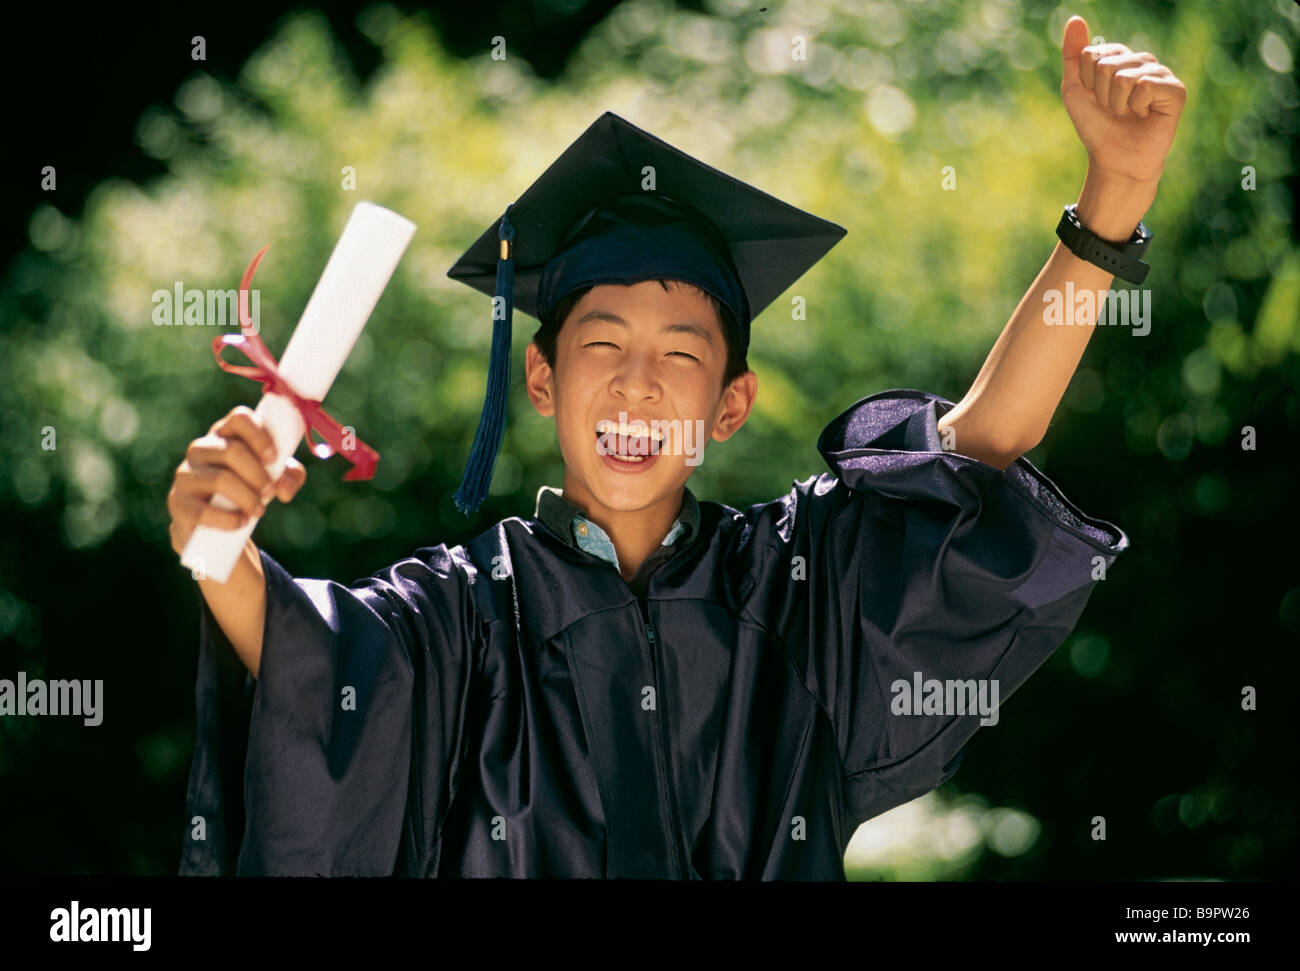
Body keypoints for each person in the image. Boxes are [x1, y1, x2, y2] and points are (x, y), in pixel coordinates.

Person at [167, 17, 1185, 878]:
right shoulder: (464, 614)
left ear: (731, 402)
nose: (638, 381)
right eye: (601, 342)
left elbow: (986, 442)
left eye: (680, 353)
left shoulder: (798, 586)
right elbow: (310, 655)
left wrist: (1110, 204)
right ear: (540, 380)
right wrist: (221, 539)